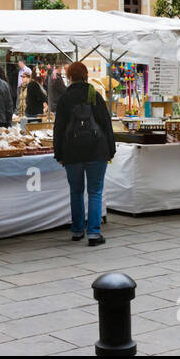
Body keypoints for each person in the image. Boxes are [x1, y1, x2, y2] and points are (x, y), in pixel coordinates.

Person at [53, 61, 114, 245]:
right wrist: (111, 150)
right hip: (97, 151)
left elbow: (59, 129)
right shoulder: (94, 95)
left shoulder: (65, 99)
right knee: (95, 192)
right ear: (86, 76)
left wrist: (59, 155)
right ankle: (94, 234)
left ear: (70, 77)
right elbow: (106, 125)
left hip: (72, 153)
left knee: (76, 191)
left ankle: (78, 230)